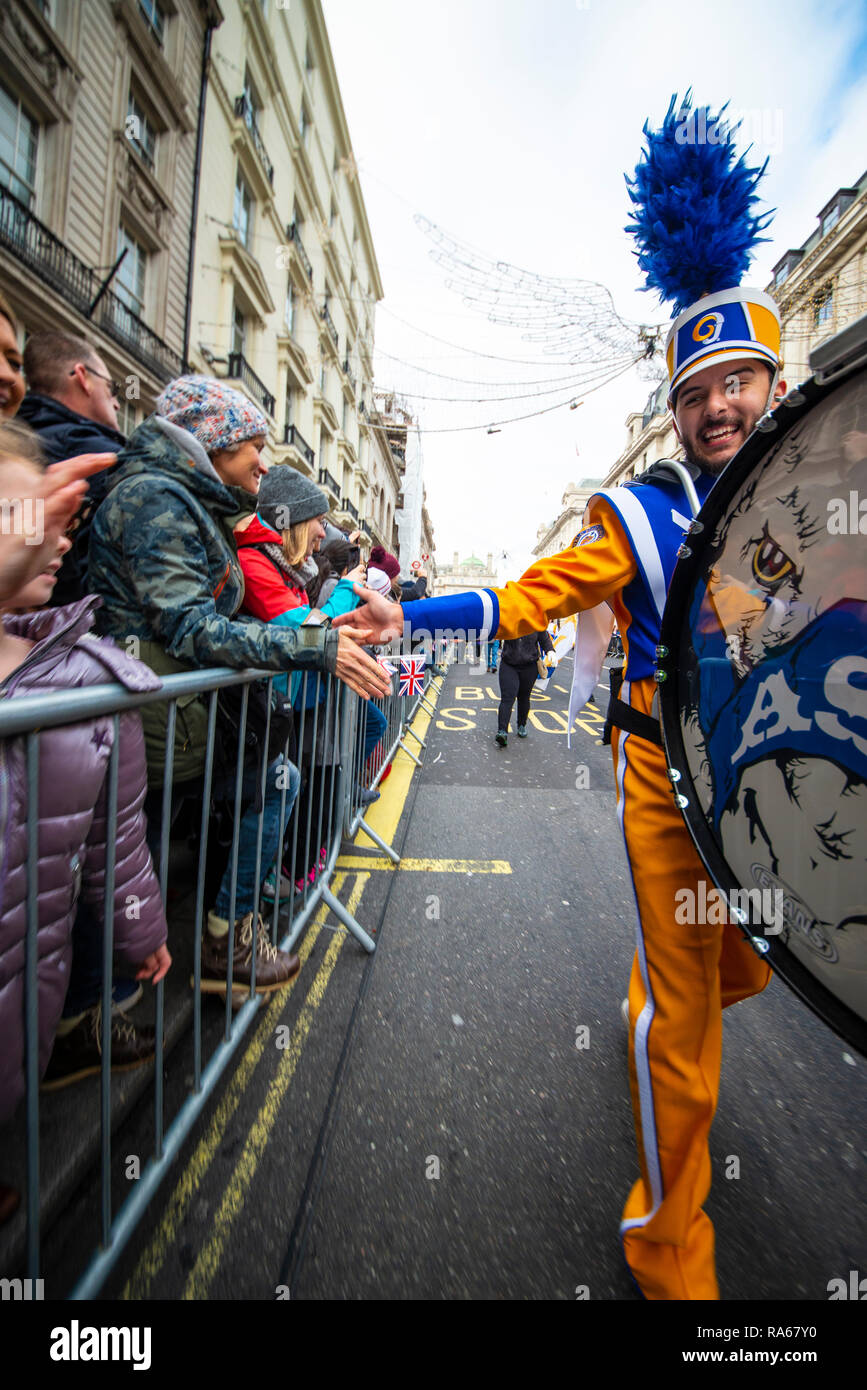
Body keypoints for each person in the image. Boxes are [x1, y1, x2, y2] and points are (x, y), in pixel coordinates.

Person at [335, 97, 788, 1300]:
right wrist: (412, 612)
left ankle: (670, 971)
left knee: (737, 959)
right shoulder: (640, 514)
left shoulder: (809, 502)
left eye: (740, 380)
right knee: (683, 1040)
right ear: (677, 412)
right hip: (671, 786)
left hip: (770, 789)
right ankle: (669, 1250)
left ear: (774, 385)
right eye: (699, 391)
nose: (720, 406)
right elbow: (528, 598)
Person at [88, 376, 390, 997]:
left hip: (176, 719)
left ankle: (204, 946)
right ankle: (102, 1009)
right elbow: (194, 626)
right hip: (143, 723)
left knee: (154, 846)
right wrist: (315, 643)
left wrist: (326, 632)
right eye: (252, 443)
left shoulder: (196, 502)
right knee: (120, 864)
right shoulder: (156, 498)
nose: (264, 461)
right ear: (211, 440)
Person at [0, 423, 170, 1143]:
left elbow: (115, 838)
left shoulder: (89, 676)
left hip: (24, 985)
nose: (52, 535)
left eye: (54, 514)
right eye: (19, 513)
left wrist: (142, 928)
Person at [233, 467, 366, 893]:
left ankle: (267, 879)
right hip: (259, 709)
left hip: (285, 705)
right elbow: (307, 629)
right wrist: (346, 589)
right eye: (318, 521)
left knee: (286, 787)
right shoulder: (255, 562)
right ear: (293, 522)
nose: (322, 532)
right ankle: (243, 905)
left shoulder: (285, 567)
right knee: (273, 793)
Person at [17, 331, 126, 607]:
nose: (116, 402)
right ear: (82, 377)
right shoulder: (106, 457)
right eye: (112, 388)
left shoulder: (15, 441)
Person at [495, 630, 553, 746]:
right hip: (509, 664)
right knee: (508, 698)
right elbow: (497, 627)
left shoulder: (535, 619)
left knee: (524, 697)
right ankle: (502, 731)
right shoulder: (509, 615)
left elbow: (543, 636)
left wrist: (550, 651)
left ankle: (522, 724)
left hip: (529, 666)